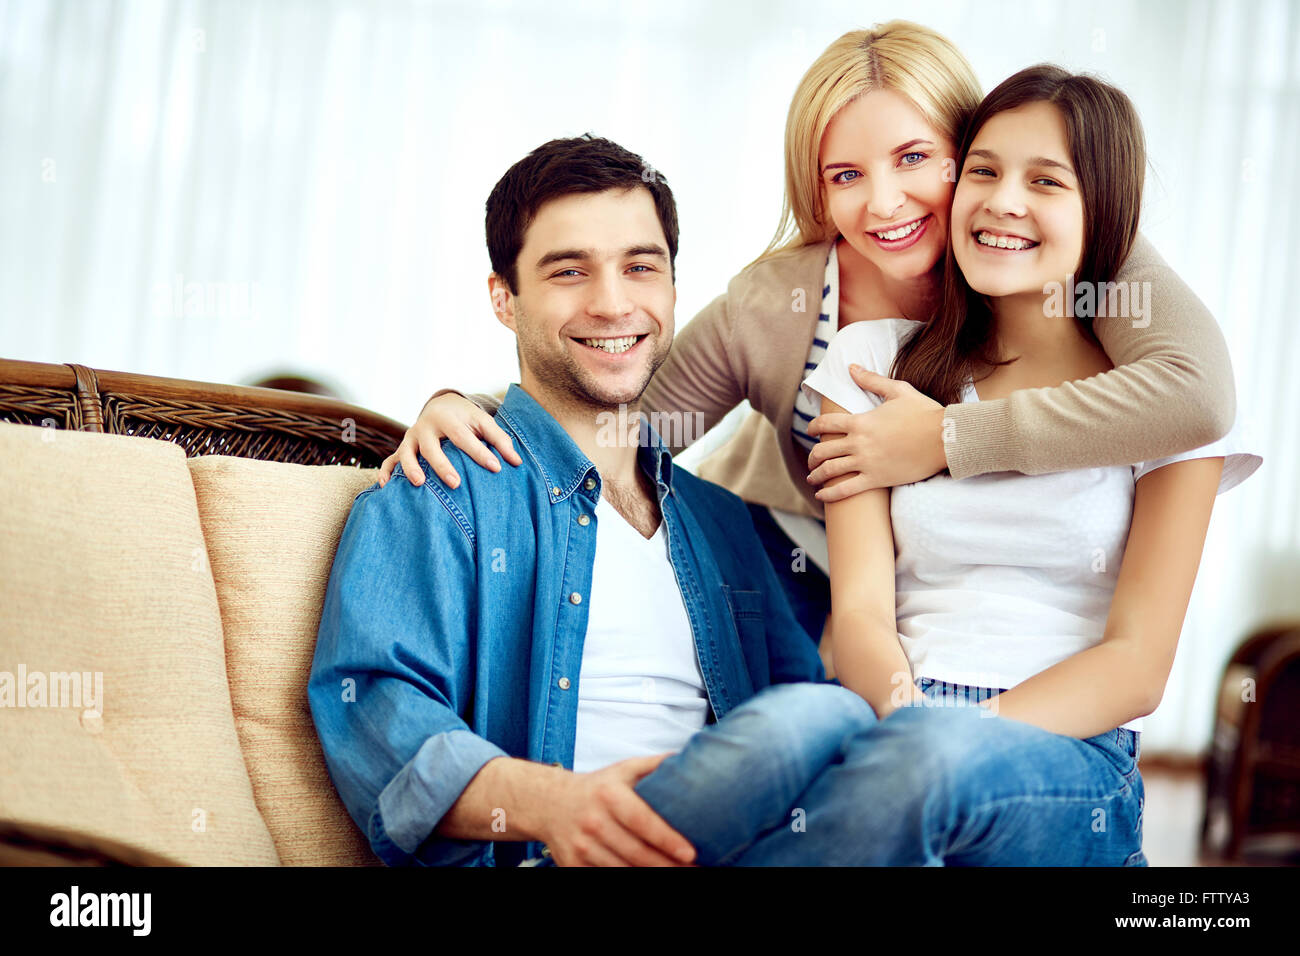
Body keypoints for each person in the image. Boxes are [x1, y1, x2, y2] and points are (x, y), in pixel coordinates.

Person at [376, 21, 1238, 675]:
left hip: (970, 593)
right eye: (845, 175)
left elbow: (1197, 396)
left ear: (972, 152)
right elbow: (624, 417)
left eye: (916, 158)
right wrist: (470, 408)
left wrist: (942, 441)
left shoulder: (1065, 238)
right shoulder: (777, 303)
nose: (886, 202)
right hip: (802, 557)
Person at [634, 64, 1262, 866]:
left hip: (1067, 750)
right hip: (893, 713)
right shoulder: (870, 360)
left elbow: (1137, 666)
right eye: (986, 171)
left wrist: (953, 730)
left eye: (1047, 181)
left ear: (1106, 214)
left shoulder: (1158, 399)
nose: (1004, 201)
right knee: (786, 728)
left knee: (931, 762)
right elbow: (861, 611)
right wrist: (907, 718)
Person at [308, 134, 877, 868]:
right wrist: (560, 805)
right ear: (503, 300)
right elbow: (371, 705)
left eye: (641, 267)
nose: (613, 303)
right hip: (547, 853)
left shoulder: (723, 524)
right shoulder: (442, 491)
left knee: (890, 754)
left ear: (672, 289)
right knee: (821, 718)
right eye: (569, 271)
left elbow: (810, 734)